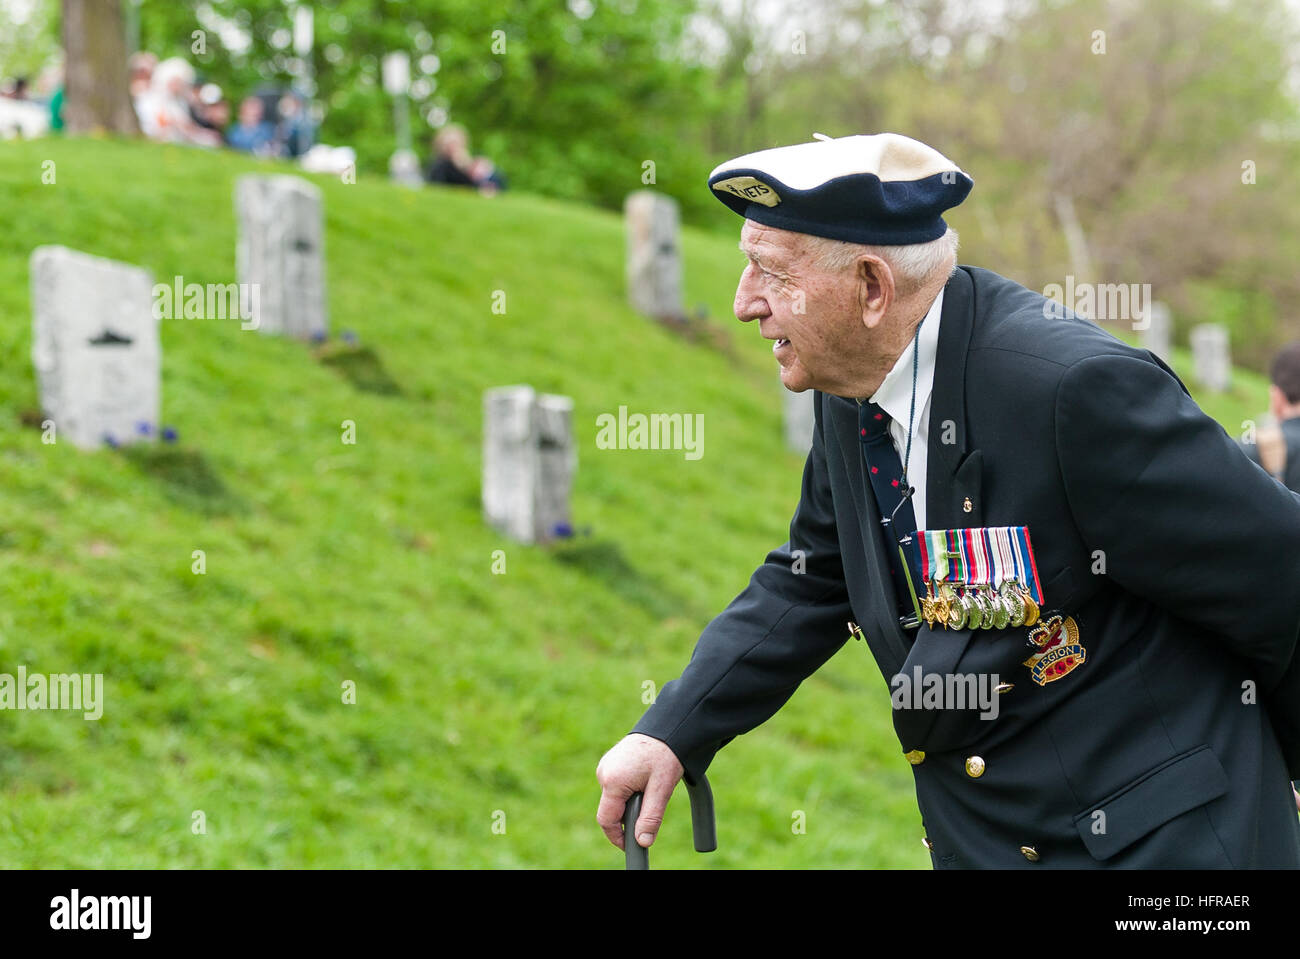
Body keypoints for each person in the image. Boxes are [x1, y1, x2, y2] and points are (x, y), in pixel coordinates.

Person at [595, 132, 1300, 868]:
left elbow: (1281, 573)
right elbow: (815, 575)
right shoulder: (851, 386)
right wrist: (674, 728)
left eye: (768, 271)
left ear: (872, 288)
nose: (744, 303)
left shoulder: (1070, 392)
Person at [424, 124, 505, 195]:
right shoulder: (438, 165)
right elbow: (436, 185)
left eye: (455, 142)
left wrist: (473, 168)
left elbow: (499, 184)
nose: (452, 147)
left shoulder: (472, 162)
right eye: (448, 144)